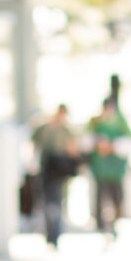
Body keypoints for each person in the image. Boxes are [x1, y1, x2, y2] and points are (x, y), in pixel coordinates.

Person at [31, 104, 78, 248]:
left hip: (60, 171)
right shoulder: (45, 128)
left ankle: (55, 234)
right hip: (47, 169)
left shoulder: (66, 131)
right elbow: (35, 145)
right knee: (48, 202)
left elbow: (73, 149)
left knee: (57, 202)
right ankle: (50, 234)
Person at [86, 95, 131, 239]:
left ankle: (115, 223)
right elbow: (86, 141)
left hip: (116, 170)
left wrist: (112, 146)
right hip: (100, 169)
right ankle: (101, 225)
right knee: (101, 199)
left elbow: (129, 141)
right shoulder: (95, 123)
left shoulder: (121, 123)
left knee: (117, 199)